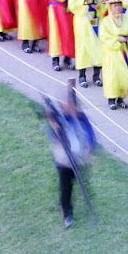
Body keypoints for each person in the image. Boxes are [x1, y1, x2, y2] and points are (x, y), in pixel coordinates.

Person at [42, 92, 95, 229]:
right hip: (64, 161)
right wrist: (54, 128)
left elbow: (90, 133)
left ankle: (86, 197)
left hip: (79, 159)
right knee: (66, 187)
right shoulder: (60, 119)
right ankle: (67, 213)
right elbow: (53, 134)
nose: (67, 108)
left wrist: (90, 146)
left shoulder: (81, 118)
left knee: (81, 181)